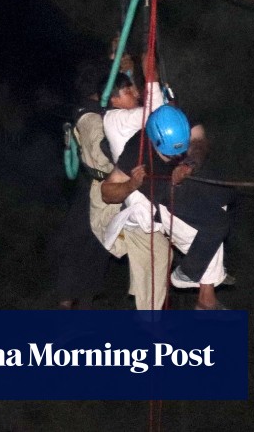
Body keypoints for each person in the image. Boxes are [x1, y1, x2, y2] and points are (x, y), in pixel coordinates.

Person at [55, 57, 170, 310]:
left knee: (104, 243)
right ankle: (71, 301)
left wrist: (125, 66)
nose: (133, 93)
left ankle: (93, 296)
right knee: (87, 238)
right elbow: (104, 151)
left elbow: (128, 100)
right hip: (101, 186)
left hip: (113, 185)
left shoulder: (104, 111)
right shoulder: (91, 118)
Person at [102, 104, 234, 310]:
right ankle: (189, 276)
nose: (176, 157)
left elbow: (199, 142)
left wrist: (188, 163)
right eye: (171, 154)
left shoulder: (181, 119)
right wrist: (130, 185)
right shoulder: (136, 151)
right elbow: (107, 192)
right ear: (154, 142)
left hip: (190, 178)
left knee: (226, 194)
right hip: (167, 192)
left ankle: (202, 288)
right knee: (217, 223)